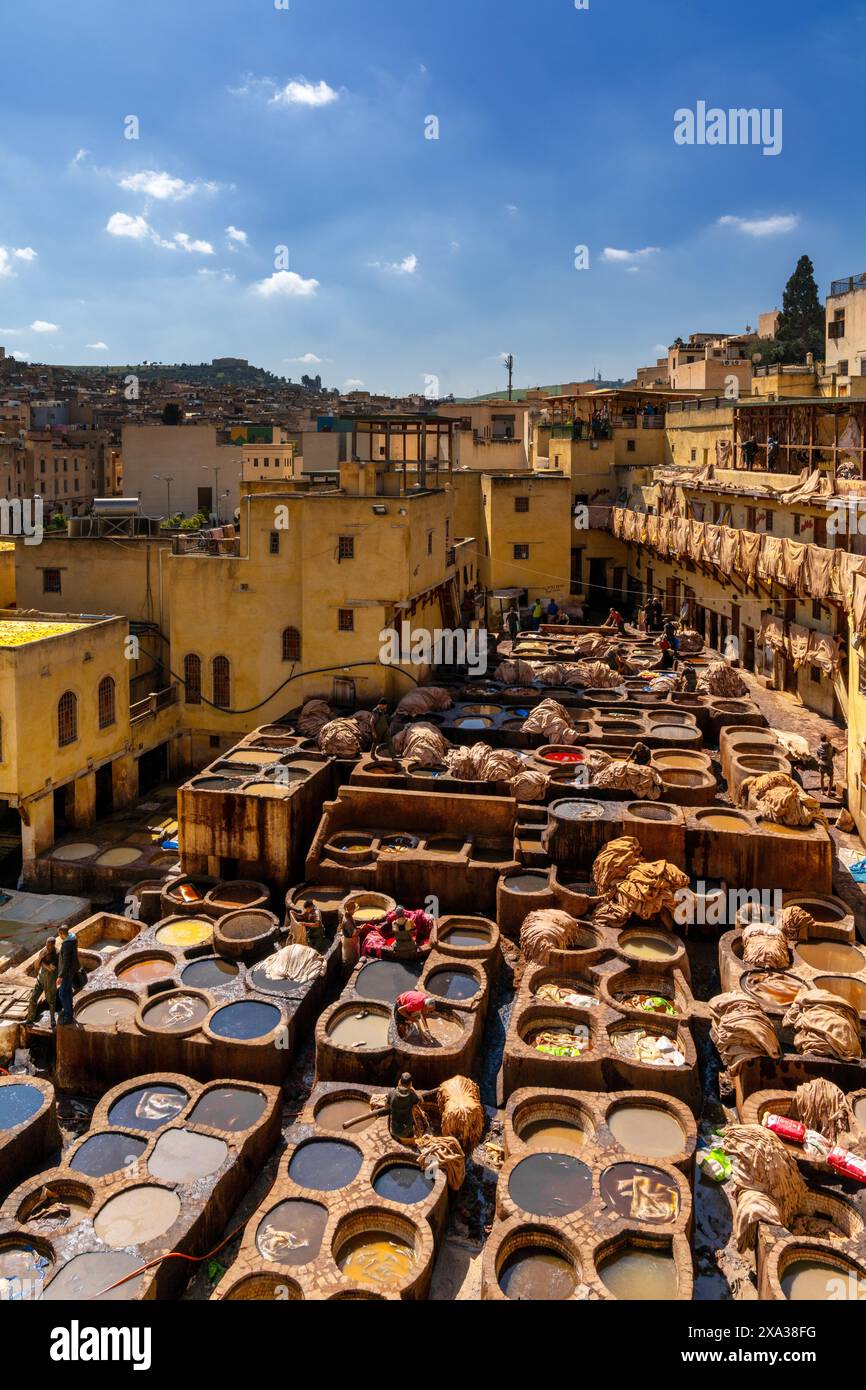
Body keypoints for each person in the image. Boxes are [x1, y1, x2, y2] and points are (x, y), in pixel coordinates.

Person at [386, 1072, 432, 1141]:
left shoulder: (391, 1093)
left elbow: (386, 1107)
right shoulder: (411, 1095)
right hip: (406, 1133)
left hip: (394, 1131)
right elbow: (421, 1101)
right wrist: (412, 1089)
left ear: (400, 1082)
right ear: (410, 1084)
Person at [26, 940, 58, 1028]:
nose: (47, 948)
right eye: (47, 945)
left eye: (50, 946)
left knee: (51, 1001)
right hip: (40, 979)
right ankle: (30, 1019)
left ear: (54, 945)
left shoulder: (57, 954)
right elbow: (36, 966)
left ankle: (52, 1020)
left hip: (50, 981)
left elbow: (52, 968)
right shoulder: (43, 951)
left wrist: (42, 963)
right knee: (33, 998)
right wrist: (40, 958)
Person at [56, 924, 81, 1026]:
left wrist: (60, 976)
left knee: (62, 993)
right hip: (71, 971)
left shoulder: (66, 945)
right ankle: (69, 1009)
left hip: (66, 973)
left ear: (62, 934)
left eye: (59, 935)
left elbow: (66, 962)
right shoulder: (72, 938)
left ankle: (68, 1016)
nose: (59, 937)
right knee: (68, 991)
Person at [339, 902, 360, 977]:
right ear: (350, 910)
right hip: (349, 942)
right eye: (353, 910)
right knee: (349, 961)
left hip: (349, 940)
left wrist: (358, 928)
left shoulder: (348, 915)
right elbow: (353, 934)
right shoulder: (347, 921)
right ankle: (347, 977)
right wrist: (360, 930)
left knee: (352, 959)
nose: (354, 911)